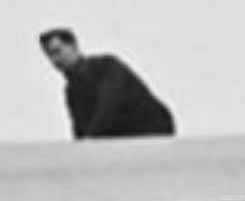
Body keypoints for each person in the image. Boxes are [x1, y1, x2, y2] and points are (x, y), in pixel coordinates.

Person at [38, 27, 176, 139]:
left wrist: (89, 141)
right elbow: (79, 131)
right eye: (49, 55)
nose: (55, 60)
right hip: (122, 142)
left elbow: (110, 104)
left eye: (57, 51)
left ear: (74, 46)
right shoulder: (72, 92)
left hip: (153, 131)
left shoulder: (106, 66)